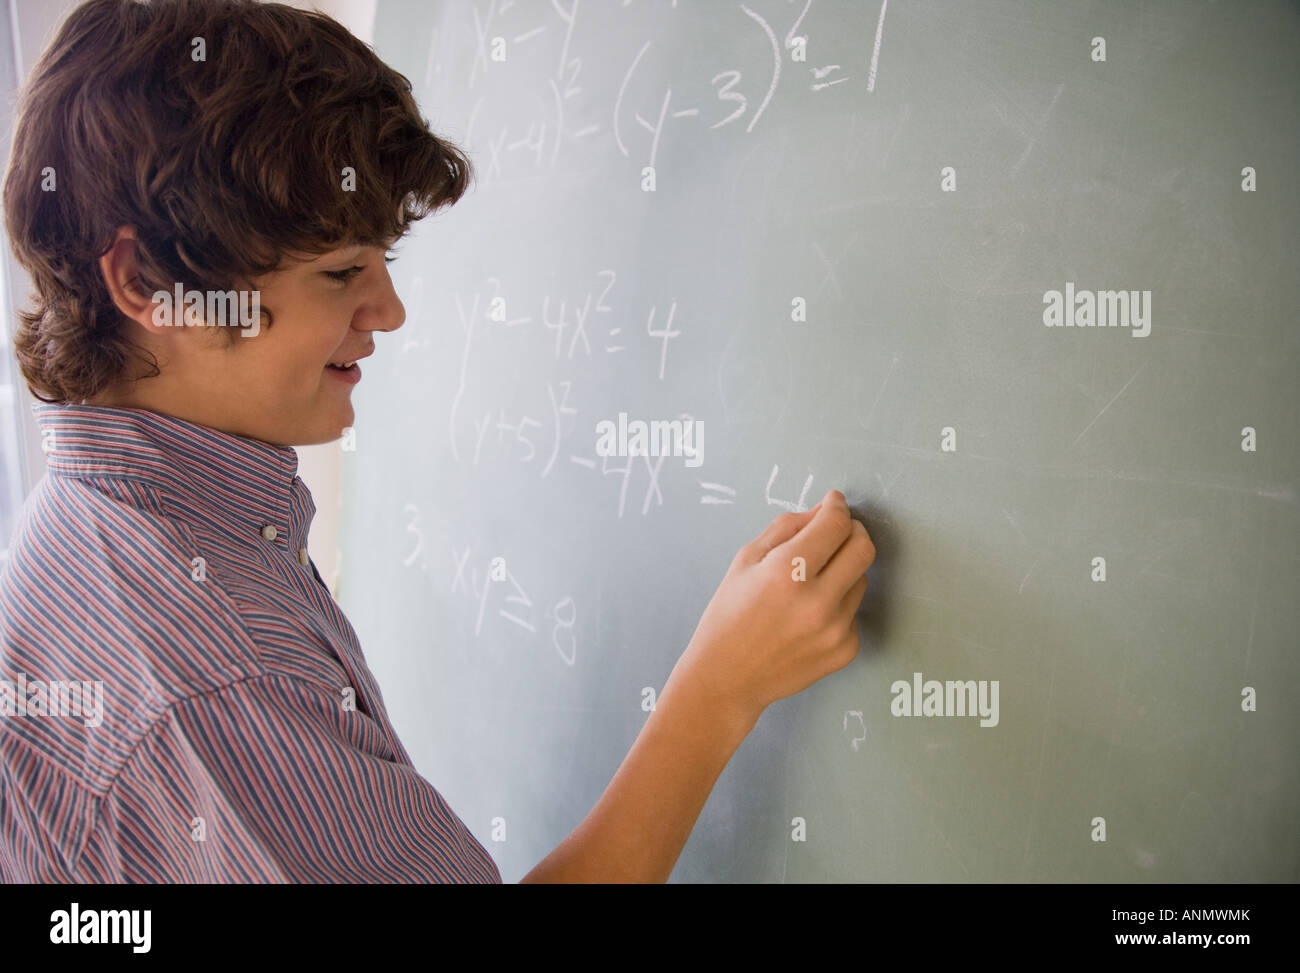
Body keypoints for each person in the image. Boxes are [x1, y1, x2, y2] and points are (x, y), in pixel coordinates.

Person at [0, 0, 875, 883]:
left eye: (382, 262)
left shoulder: (97, 532)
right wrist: (719, 691)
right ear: (150, 281)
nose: (388, 310)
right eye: (342, 272)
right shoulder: (215, 678)